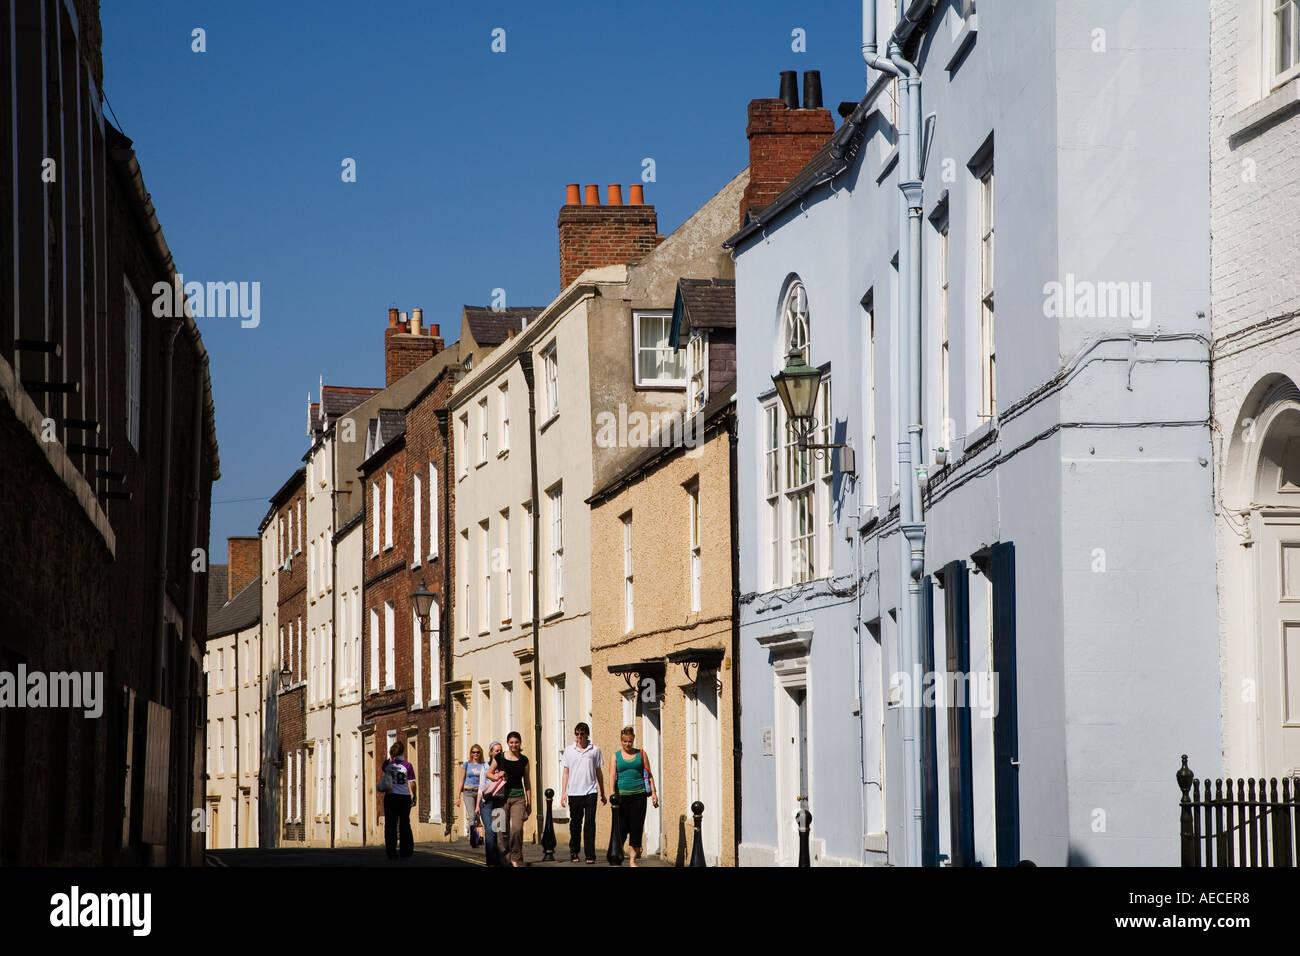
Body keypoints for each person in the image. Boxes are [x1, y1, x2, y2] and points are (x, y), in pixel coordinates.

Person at [560, 722, 606, 863]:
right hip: (574, 792)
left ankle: (590, 855)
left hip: (591, 791)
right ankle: (574, 852)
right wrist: (563, 794)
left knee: (590, 823)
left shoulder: (595, 750)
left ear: (587, 734)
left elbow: (598, 771)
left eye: (582, 734)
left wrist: (603, 793)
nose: (579, 737)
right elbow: (566, 772)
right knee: (575, 823)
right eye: (577, 734)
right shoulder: (569, 750)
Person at [612, 725, 657, 867]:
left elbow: (648, 774)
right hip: (622, 796)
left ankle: (632, 860)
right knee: (621, 827)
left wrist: (654, 793)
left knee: (636, 828)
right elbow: (612, 775)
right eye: (624, 741)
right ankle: (617, 854)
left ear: (633, 740)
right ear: (621, 741)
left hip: (639, 795)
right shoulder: (616, 756)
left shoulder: (641, 754)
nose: (627, 744)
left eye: (630, 741)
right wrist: (612, 794)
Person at [489, 731, 531, 867]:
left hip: (518, 798)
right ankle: (505, 861)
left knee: (517, 830)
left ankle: (516, 858)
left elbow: (528, 782)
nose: (514, 745)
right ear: (508, 743)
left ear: (520, 743)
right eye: (511, 742)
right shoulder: (500, 757)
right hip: (500, 798)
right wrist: (496, 776)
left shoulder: (524, 760)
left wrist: (529, 802)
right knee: (501, 832)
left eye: (516, 742)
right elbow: (488, 773)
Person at [381, 739, 416, 860]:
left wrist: (391, 758)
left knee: (390, 824)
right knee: (404, 824)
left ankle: (391, 851)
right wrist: (414, 795)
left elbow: (384, 766)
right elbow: (412, 783)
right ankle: (406, 851)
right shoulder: (408, 766)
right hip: (404, 797)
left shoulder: (388, 766)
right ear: (403, 752)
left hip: (391, 797)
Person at [476, 741, 504, 866]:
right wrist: (477, 806)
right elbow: (481, 788)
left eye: (500, 750)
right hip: (486, 802)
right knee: (490, 831)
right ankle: (491, 861)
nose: (499, 752)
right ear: (491, 752)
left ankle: (500, 860)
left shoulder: (504, 766)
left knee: (499, 831)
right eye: (496, 750)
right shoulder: (485, 768)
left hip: (499, 802)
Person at [457, 743, 488, 846]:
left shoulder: (483, 765)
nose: (475, 754)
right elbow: (461, 780)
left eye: (478, 752)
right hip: (468, 792)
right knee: (472, 815)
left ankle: (478, 836)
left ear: (480, 753)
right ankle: (472, 837)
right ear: (471, 753)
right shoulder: (467, 764)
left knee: (478, 815)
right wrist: (458, 797)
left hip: (480, 792)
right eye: (473, 752)